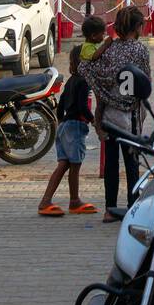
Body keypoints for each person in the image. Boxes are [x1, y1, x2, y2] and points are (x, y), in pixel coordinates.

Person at [80, 5, 151, 223]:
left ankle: (110, 209)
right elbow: (146, 82)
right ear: (137, 27)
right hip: (130, 117)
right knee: (131, 164)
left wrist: (105, 94)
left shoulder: (108, 49)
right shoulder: (140, 51)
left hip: (109, 116)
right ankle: (133, 208)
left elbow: (87, 68)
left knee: (111, 164)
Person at [37, 45, 98, 217]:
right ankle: (73, 201)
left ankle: (48, 199)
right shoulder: (84, 82)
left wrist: (63, 123)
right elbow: (81, 107)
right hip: (76, 127)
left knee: (64, 164)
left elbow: (61, 105)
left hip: (64, 126)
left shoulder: (71, 81)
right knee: (75, 165)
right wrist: (93, 121)